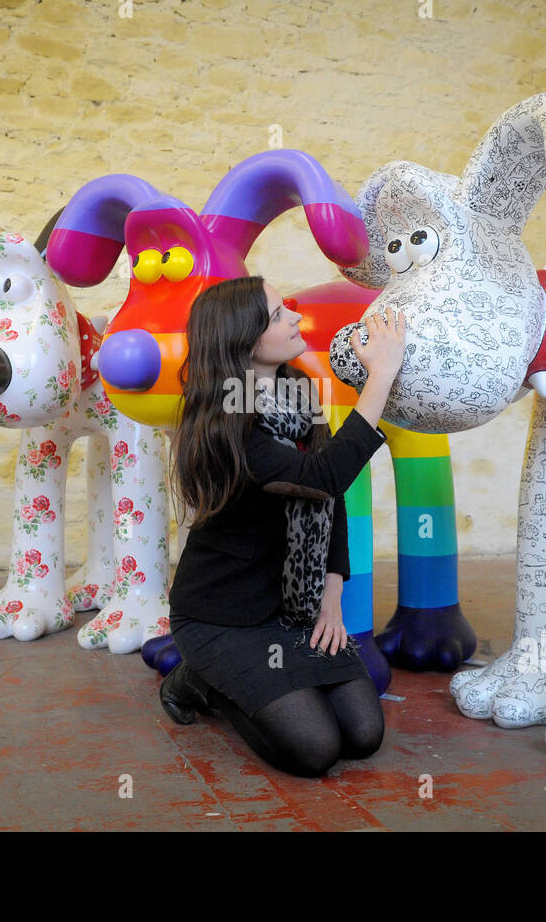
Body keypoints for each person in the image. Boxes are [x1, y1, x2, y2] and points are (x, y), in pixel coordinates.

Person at [160, 275, 407, 777]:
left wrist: (330, 605)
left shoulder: (298, 393)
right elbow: (320, 476)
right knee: (314, 750)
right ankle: (199, 681)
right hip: (222, 616)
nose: (295, 317)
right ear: (242, 340)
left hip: (290, 610)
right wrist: (380, 375)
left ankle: (271, 681)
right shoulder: (223, 423)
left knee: (364, 735)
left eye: (286, 307)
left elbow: (328, 499)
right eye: (277, 315)